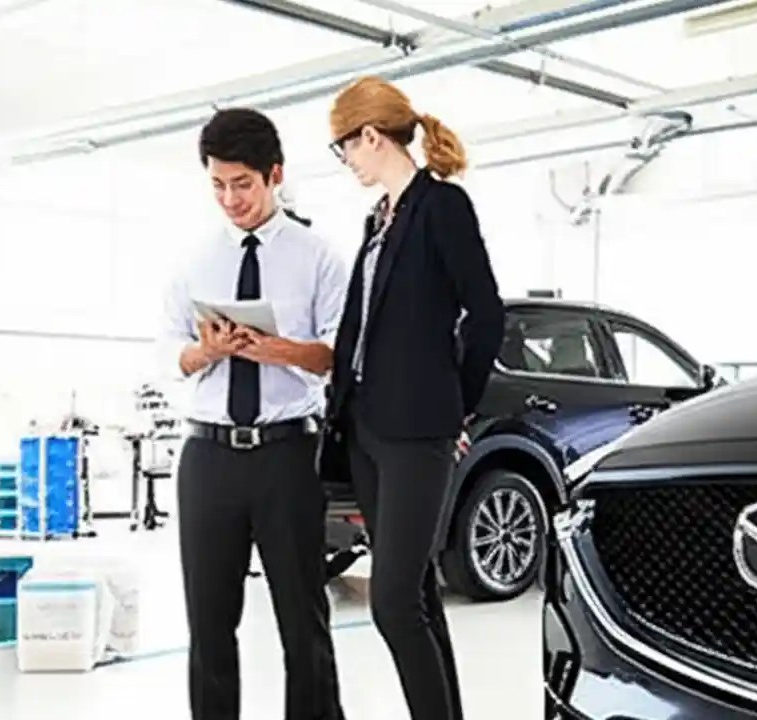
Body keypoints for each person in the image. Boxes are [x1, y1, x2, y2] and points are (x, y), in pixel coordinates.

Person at [159, 107, 350, 720]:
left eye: (242, 184)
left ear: (275, 175)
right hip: (207, 457)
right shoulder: (193, 261)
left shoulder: (318, 256)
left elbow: (340, 356)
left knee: (303, 622)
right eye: (218, 184)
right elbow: (167, 354)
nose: (230, 198)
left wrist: (276, 349)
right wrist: (206, 351)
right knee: (209, 626)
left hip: (287, 454)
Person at [324, 75, 505, 720]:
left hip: (417, 432)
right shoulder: (378, 219)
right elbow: (363, 324)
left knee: (392, 600)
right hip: (368, 427)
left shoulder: (441, 206)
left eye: (342, 146)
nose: (343, 160)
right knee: (420, 594)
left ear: (370, 136)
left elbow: (485, 314)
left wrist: (458, 407)